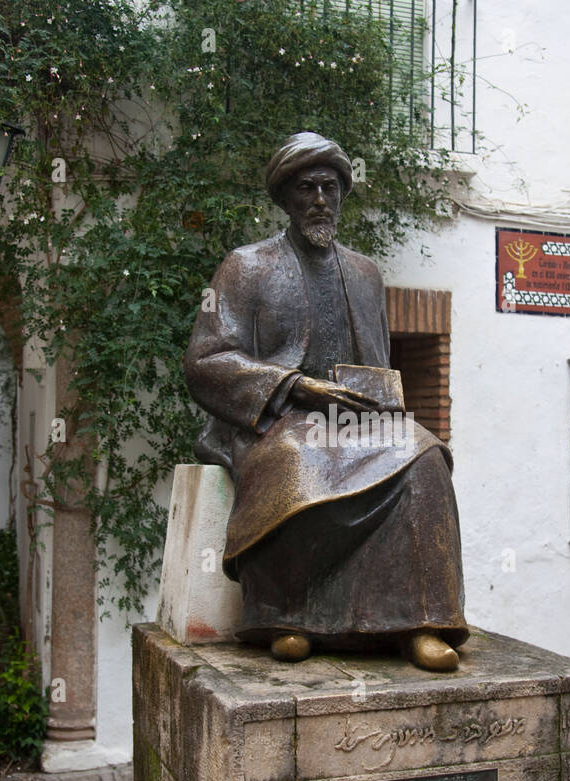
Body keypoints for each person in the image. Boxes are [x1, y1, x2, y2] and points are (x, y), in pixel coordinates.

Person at [184, 132, 468, 671]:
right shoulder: (246, 267)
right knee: (297, 463)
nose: (320, 199)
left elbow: (379, 364)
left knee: (426, 458)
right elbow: (206, 359)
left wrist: (378, 402)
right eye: (308, 188)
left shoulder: (364, 273)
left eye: (330, 188)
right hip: (278, 417)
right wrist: (294, 385)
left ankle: (424, 622)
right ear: (286, 197)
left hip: (354, 419)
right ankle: (289, 616)